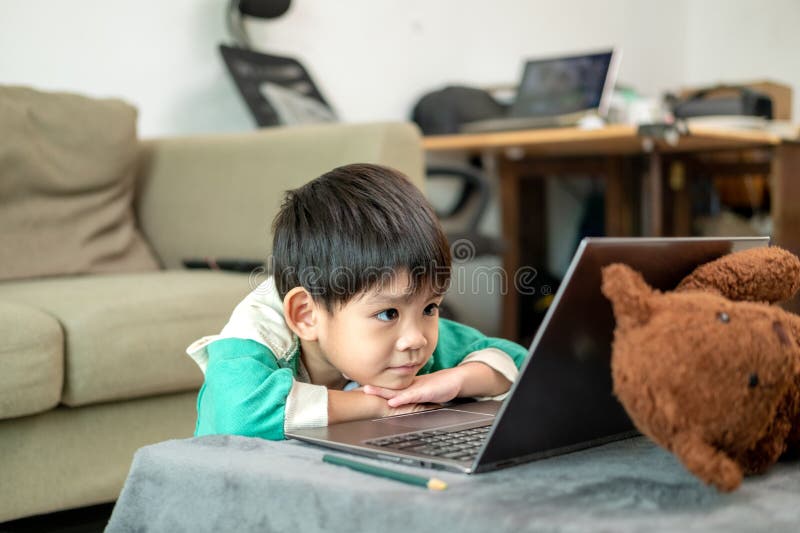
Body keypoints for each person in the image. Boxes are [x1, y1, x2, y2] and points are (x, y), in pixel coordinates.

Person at [186, 163, 528, 440]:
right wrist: (378, 406)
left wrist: (456, 380)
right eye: (388, 313)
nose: (416, 339)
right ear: (306, 315)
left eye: (430, 307)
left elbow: (520, 362)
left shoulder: (410, 336)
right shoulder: (258, 335)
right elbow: (240, 413)